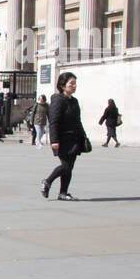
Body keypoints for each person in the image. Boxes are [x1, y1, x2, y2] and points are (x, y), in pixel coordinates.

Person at [41, 72, 88, 201]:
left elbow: (78, 120)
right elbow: (54, 121)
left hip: (74, 138)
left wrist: (83, 136)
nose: (74, 86)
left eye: (75, 83)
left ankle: (63, 192)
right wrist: (54, 140)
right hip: (62, 139)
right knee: (66, 166)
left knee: (69, 167)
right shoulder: (58, 100)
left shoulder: (74, 101)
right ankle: (47, 181)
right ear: (62, 85)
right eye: (71, 83)